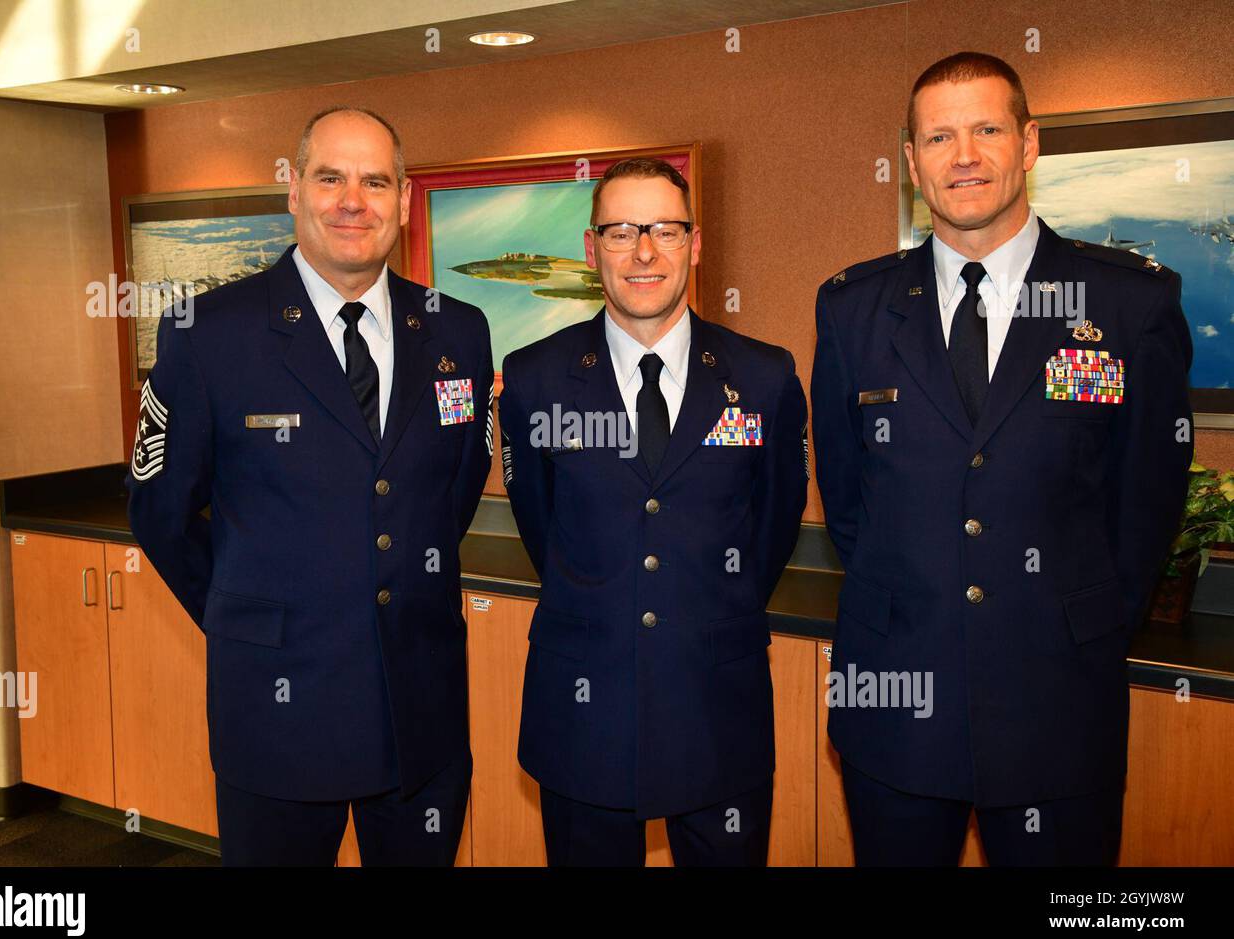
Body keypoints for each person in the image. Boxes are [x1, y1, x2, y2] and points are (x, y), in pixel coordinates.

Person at [811, 52, 1193, 865]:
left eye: (987, 129)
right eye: (939, 137)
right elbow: (849, 500)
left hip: (1059, 698)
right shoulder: (853, 307)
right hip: (895, 699)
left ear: (1028, 144)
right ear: (911, 162)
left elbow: (1146, 503)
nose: (964, 156)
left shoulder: (1128, 302)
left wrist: (1073, 624)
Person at [127, 106, 493, 865]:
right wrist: (245, 615)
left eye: (374, 181)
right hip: (277, 706)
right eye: (331, 178)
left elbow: (451, 494)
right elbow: (162, 513)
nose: (352, 200)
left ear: (404, 198)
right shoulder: (207, 331)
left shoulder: (458, 329)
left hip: (419, 709)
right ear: (293, 190)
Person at [499, 158, 807, 866]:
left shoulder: (764, 377)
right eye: (621, 231)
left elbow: (774, 523)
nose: (644, 252)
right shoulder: (533, 377)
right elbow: (544, 529)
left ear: (694, 245)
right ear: (590, 248)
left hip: (717, 705)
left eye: (665, 230)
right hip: (583, 707)